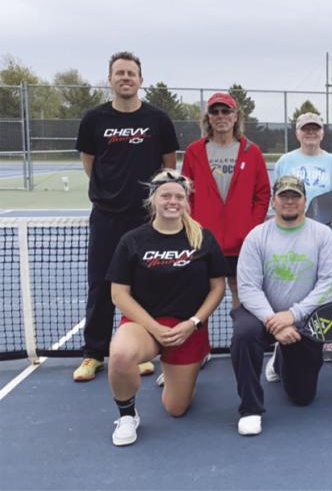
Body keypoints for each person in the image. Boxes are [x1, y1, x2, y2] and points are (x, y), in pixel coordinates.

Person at [74, 51, 179, 382]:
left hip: (146, 219)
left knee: (144, 286)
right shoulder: (94, 119)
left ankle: (140, 350)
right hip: (106, 217)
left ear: (140, 80)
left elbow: (168, 166)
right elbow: (89, 163)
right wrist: (109, 194)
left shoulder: (158, 120)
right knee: (101, 284)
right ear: (110, 79)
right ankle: (94, 353)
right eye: (119, 73)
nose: (125, 78)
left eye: (131, 73)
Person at [106, 169, 227, 446]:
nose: (172, 201)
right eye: (166, 196)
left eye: (179, 196)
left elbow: (217, 288)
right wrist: (155, 328)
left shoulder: (203, 239)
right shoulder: (133, 240)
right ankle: (127, 416)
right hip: (145, 326)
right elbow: (119, 294)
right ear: (153, 200)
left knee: (176, 409)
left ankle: (180, 371)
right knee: (121, 356)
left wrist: (193, 323)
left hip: (188, 328)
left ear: (186, 202)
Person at [230, 176, 332, 436]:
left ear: (304, 201)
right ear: (274, 201)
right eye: (283, 196)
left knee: (302, 397)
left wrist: (293, 315)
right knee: (243, 335)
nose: (289, 201)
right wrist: (273, 320)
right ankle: (250, 409)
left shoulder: (323, 235)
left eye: (295, 196)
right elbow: (247, 287)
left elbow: (330, 284)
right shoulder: (257, 236)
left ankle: (281, 359)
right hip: (263, 317)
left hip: (304, 321)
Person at [181, 92, 270, 309]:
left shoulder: (252, 151)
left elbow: (262, 193)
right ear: (208, 117)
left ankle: (241, 343)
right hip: (202, 241)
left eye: (226, 111)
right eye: (215, 111)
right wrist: (194, 227)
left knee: (242, 296)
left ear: (235, 116)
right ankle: (198, 344)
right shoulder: (194, 151)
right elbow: (185, 194)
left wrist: (251, 226)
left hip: (241, 243)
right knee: (199, 297)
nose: (221, 116)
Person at [275, 112, 332, 362]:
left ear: (322, 132)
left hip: (326, 237)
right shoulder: (285, 161)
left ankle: (328, 339)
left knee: (328, 284)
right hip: (293, 235)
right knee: (295, 282)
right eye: (306, 129)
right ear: (298, 132)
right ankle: (294, 331)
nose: (311, 133)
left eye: (315, 129)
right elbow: (278, 197)